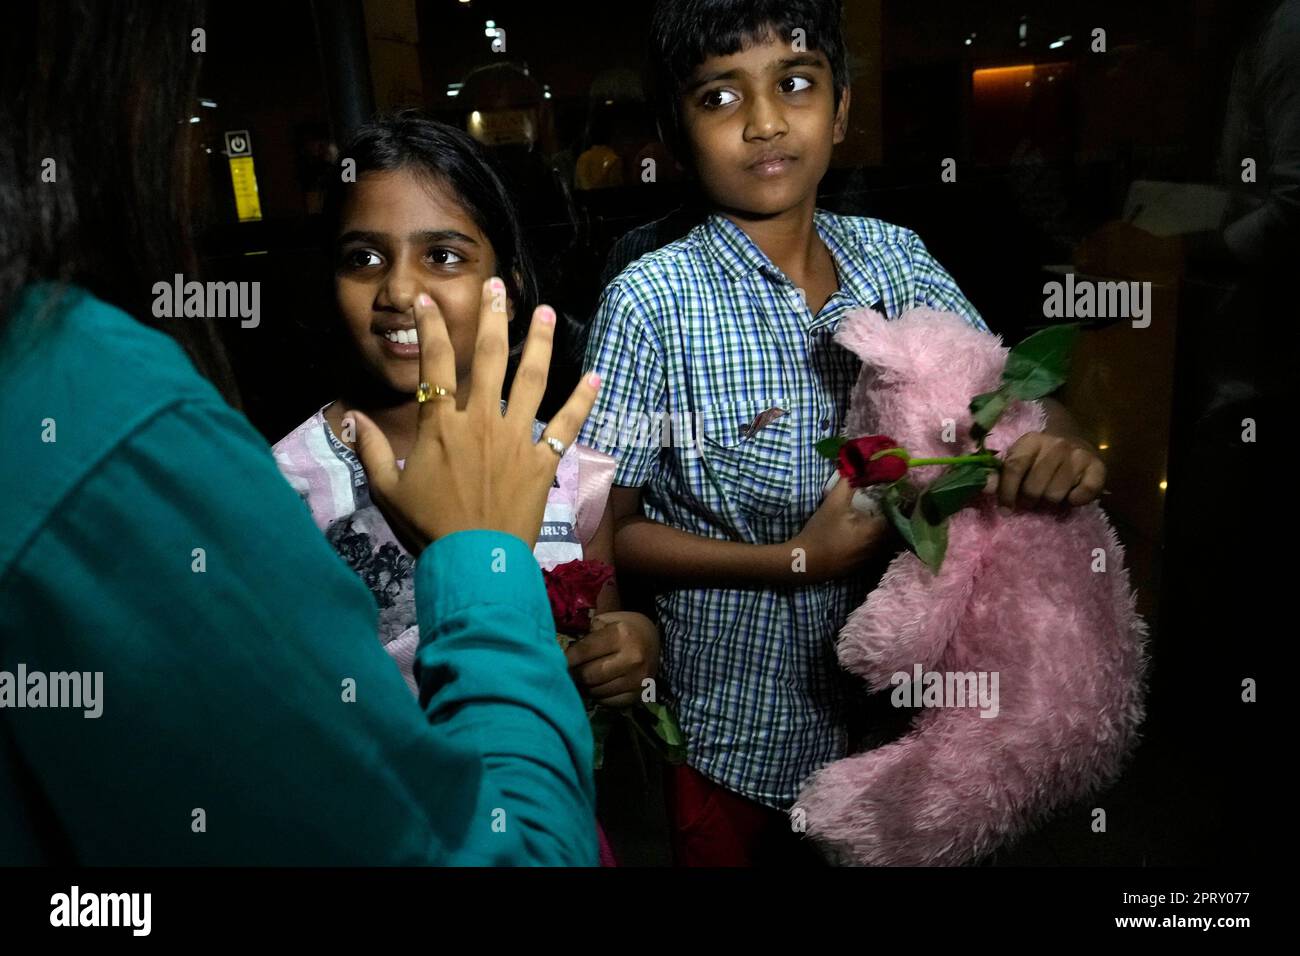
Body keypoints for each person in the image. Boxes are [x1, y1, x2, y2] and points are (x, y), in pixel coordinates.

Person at [1, 0, 600, 865]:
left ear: (503, 277)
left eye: (444, 255)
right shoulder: (172, 451)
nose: (401, 292)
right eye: (363, 258)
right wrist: (479, 552)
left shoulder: (560, 457)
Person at [578, 0, 1109, 866]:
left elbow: (1010, 396)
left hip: (902, 726)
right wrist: (798, 558)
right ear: (678, 131)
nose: (762, 123)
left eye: (793, 84)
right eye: (718, 98)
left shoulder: (892, 259)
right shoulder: (653, 301)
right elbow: (608, 527)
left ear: (842, 108)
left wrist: (1059, 444)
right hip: (737, 733)